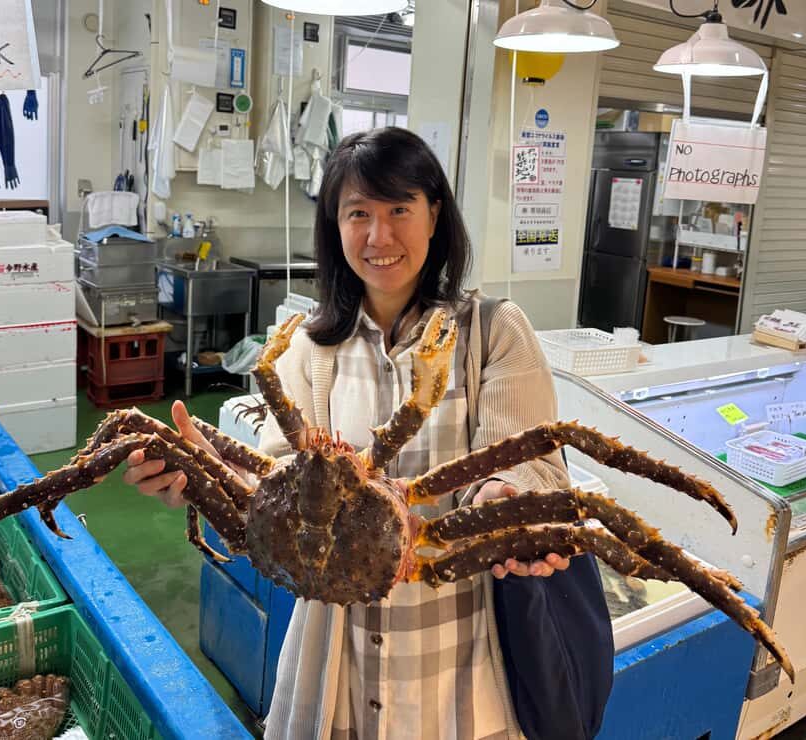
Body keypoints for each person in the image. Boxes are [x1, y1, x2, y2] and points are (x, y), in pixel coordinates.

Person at [123, 127, 601, 740]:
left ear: (435, 214)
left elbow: (534, 458)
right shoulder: (306, 349)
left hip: (461, 670)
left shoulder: (493, 333)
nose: (380, 236)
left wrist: (504, 498)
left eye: (399, 208)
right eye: (358, 214)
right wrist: (198, 481)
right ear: (334, 226)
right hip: (336, 672)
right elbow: (273, 493)